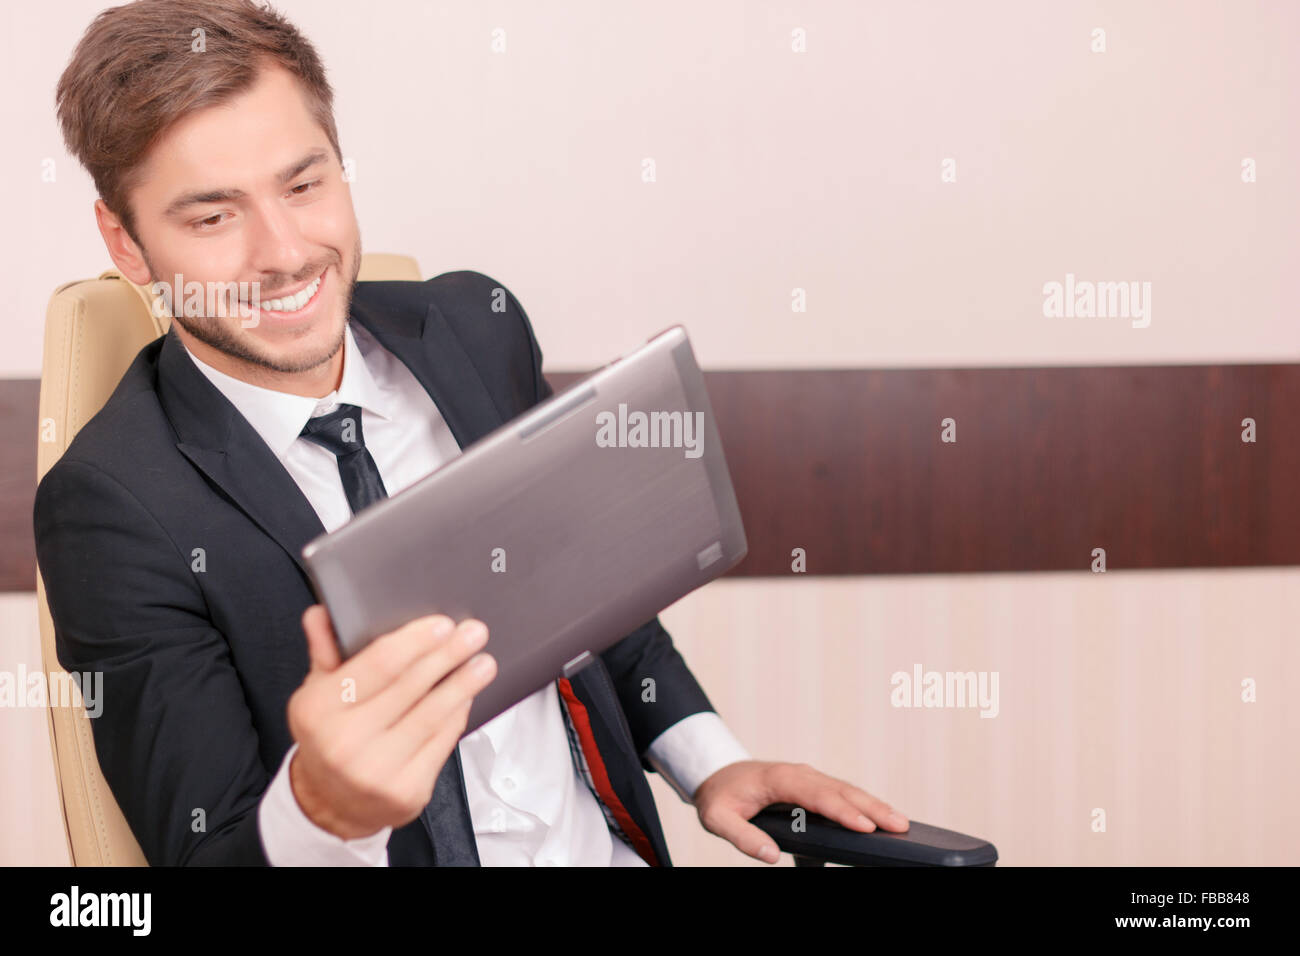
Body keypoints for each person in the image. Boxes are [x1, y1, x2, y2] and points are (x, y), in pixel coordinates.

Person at [35, 0, 908, 866]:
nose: (286, 252)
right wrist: (324, 812)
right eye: (213, 216)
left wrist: (714, 764)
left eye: (304, 185)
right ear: (128, 243)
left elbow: (593, 598)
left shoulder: (475, 331)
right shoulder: (111, 506)